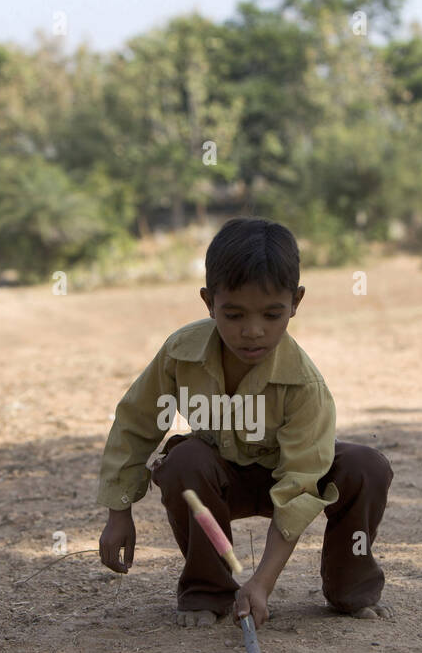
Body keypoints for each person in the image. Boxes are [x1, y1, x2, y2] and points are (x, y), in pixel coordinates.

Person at [96, 217, 393, 628]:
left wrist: (261, 584)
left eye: (272, 315)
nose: (253, 332)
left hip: (285, 478)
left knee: (366, 466)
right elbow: (137, 423)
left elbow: (299, 486)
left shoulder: (305, 384)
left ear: (296, 302)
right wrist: (119, 512)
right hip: (218, 478)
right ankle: (208, 589)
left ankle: (351, 587)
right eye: (233, 314)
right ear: (208, 302)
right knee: (183, 461)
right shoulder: (181, 353)